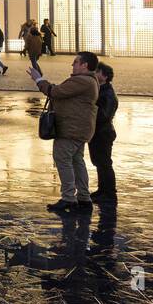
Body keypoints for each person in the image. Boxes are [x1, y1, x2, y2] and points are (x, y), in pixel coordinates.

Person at [30, 51, 99, 214]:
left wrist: (38, 79)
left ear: (85, 65)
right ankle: (83, 197)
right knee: (76, 161)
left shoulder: (82, 81)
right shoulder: (88, 81)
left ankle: (69, 198)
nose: (72, 65)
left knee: (63, 159)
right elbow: (61, 91)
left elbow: (56, 92)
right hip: (78, 129)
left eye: (75, 62)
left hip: (71, 129)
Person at [89, 63, 119, 204]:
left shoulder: (107, 93)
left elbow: (104, 115)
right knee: (99, 162)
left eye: (98, 71)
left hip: (103, 133)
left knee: (104, 163)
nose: (95, 73)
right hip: (99, 133)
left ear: (105, 76)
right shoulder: (102, 90)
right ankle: (103, 190)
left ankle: (109, 193)